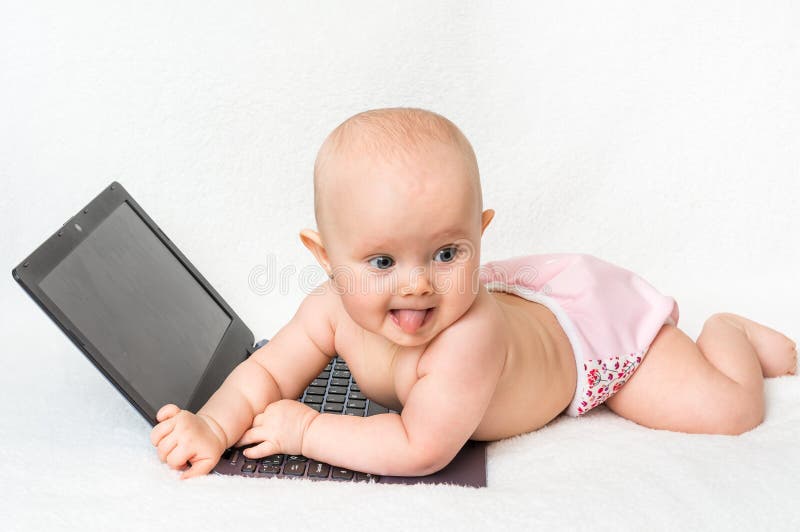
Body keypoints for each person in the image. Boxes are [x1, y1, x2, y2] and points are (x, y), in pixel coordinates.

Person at [150, 107, 797, 480]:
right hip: (539, 318)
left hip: (588, 340)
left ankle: (729, 332)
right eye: (380, 260)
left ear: (480, 237)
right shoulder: (327, 311)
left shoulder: (468, 336)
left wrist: (310, 430)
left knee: (727, 412)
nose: (417, 284)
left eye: (447, 253)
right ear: (325, 258)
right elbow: (266, 370)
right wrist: (213, 423)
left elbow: (420, 448)